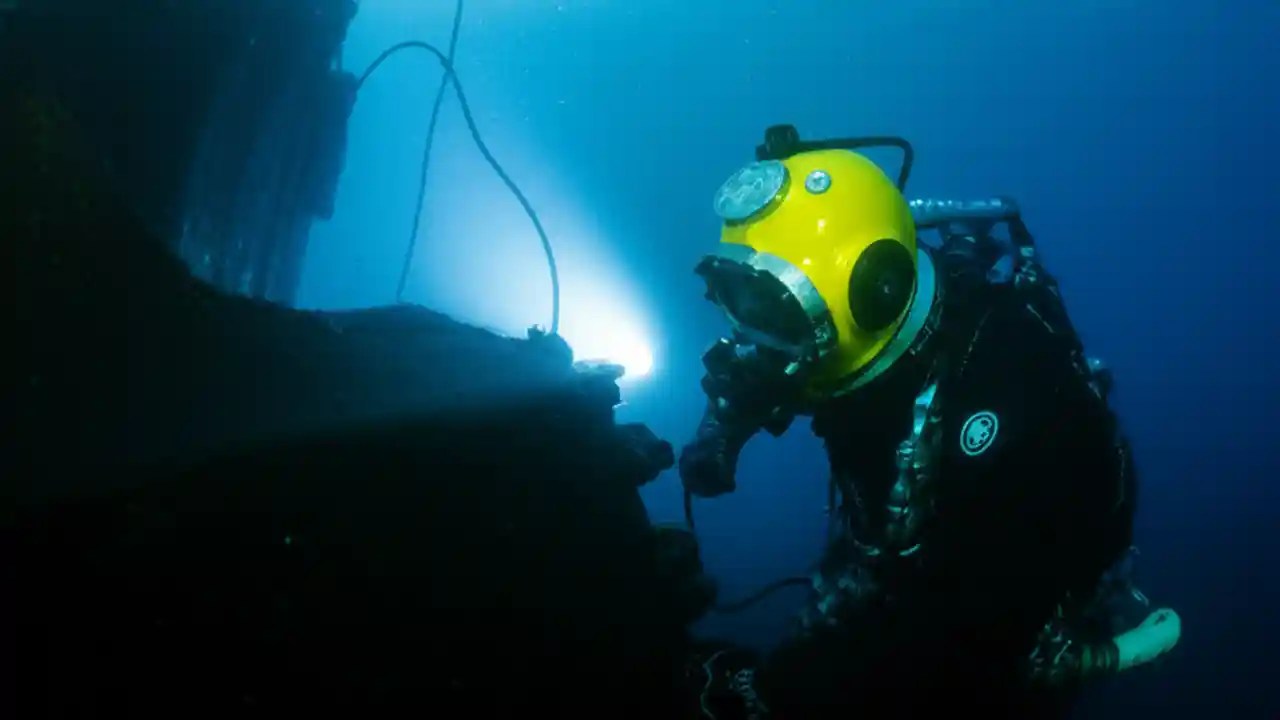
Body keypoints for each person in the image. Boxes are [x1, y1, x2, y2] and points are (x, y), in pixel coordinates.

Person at [676, 125, 1181, 718]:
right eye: (739, 300)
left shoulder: (1009, 405)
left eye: (769, 310)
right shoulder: (854, 335)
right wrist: (723, 430)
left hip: (1006, 614)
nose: (752, 336)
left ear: (875, 291)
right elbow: (770, 360)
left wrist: (775, 693)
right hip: (904, 551)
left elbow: (959, 640)